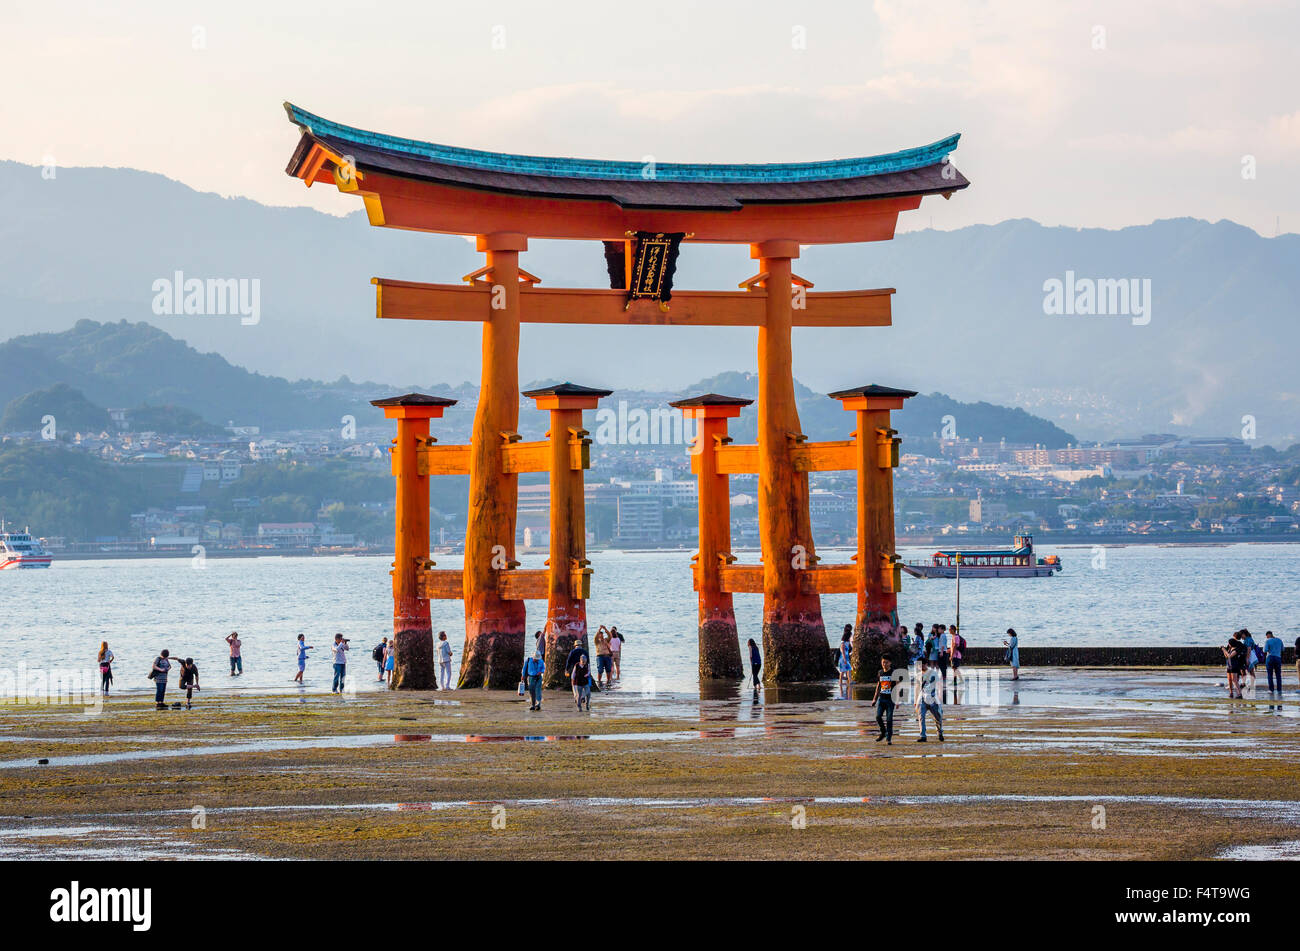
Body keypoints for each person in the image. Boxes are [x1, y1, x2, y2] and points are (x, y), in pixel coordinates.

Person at [915, 658, 944, 742]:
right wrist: (916, 700)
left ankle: (940, 733)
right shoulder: (918, 675)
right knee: (921, 717)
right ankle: (923, 736)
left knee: (938, 717)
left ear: (925, 664)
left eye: (921, 665)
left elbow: (939, 685)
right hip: (922, 699)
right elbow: (917, 688)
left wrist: (940, 696)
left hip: (933, 698)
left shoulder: (933, 673)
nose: (920, 667)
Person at [871, 656, 896, 744]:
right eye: (883, 662)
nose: (884, 664)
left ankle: (889, 737)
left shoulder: (893, 673)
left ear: (890, 663)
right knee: (878, 717)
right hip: (881, 699)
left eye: (886, 662)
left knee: (889, 719)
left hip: (890, 700)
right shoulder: (880, 672)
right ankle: (883, 732)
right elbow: (878, 686)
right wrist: (874, 699)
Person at [521, 633, 545, 710]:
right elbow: (524, 669)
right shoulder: (528, 660)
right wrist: (523, 676)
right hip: (531, 677)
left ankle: (538, 704)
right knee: (531, 691)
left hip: (538, 677)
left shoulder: (541, 661)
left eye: (537, 659)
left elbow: (543, 668)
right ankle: (533, 704)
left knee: (538, 690)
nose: (536, 660)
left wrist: (541, 672)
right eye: (535, 659)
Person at [1222, 630, 1246, 699]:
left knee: (1234, 680)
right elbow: (1226, 656)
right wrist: (1224, 651)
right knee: (1229, 679)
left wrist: (1224, 649)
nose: (1228, 644)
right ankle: (1231, 692)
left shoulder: (1236, 649)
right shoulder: (1230, 648)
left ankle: (1239, 694)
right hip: (1229, 665)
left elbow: (1229, 655)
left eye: (1229, 643)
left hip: (1234, 665)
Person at [837, 625, 852, 693]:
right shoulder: (843, 643)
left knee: (848, 669)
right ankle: (840, 682)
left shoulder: (847, 642)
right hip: (843, 658)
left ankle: (850, 681)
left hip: (846, 657)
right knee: (842, 671)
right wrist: (845, 659)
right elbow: (842, 651)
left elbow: (847, 650)